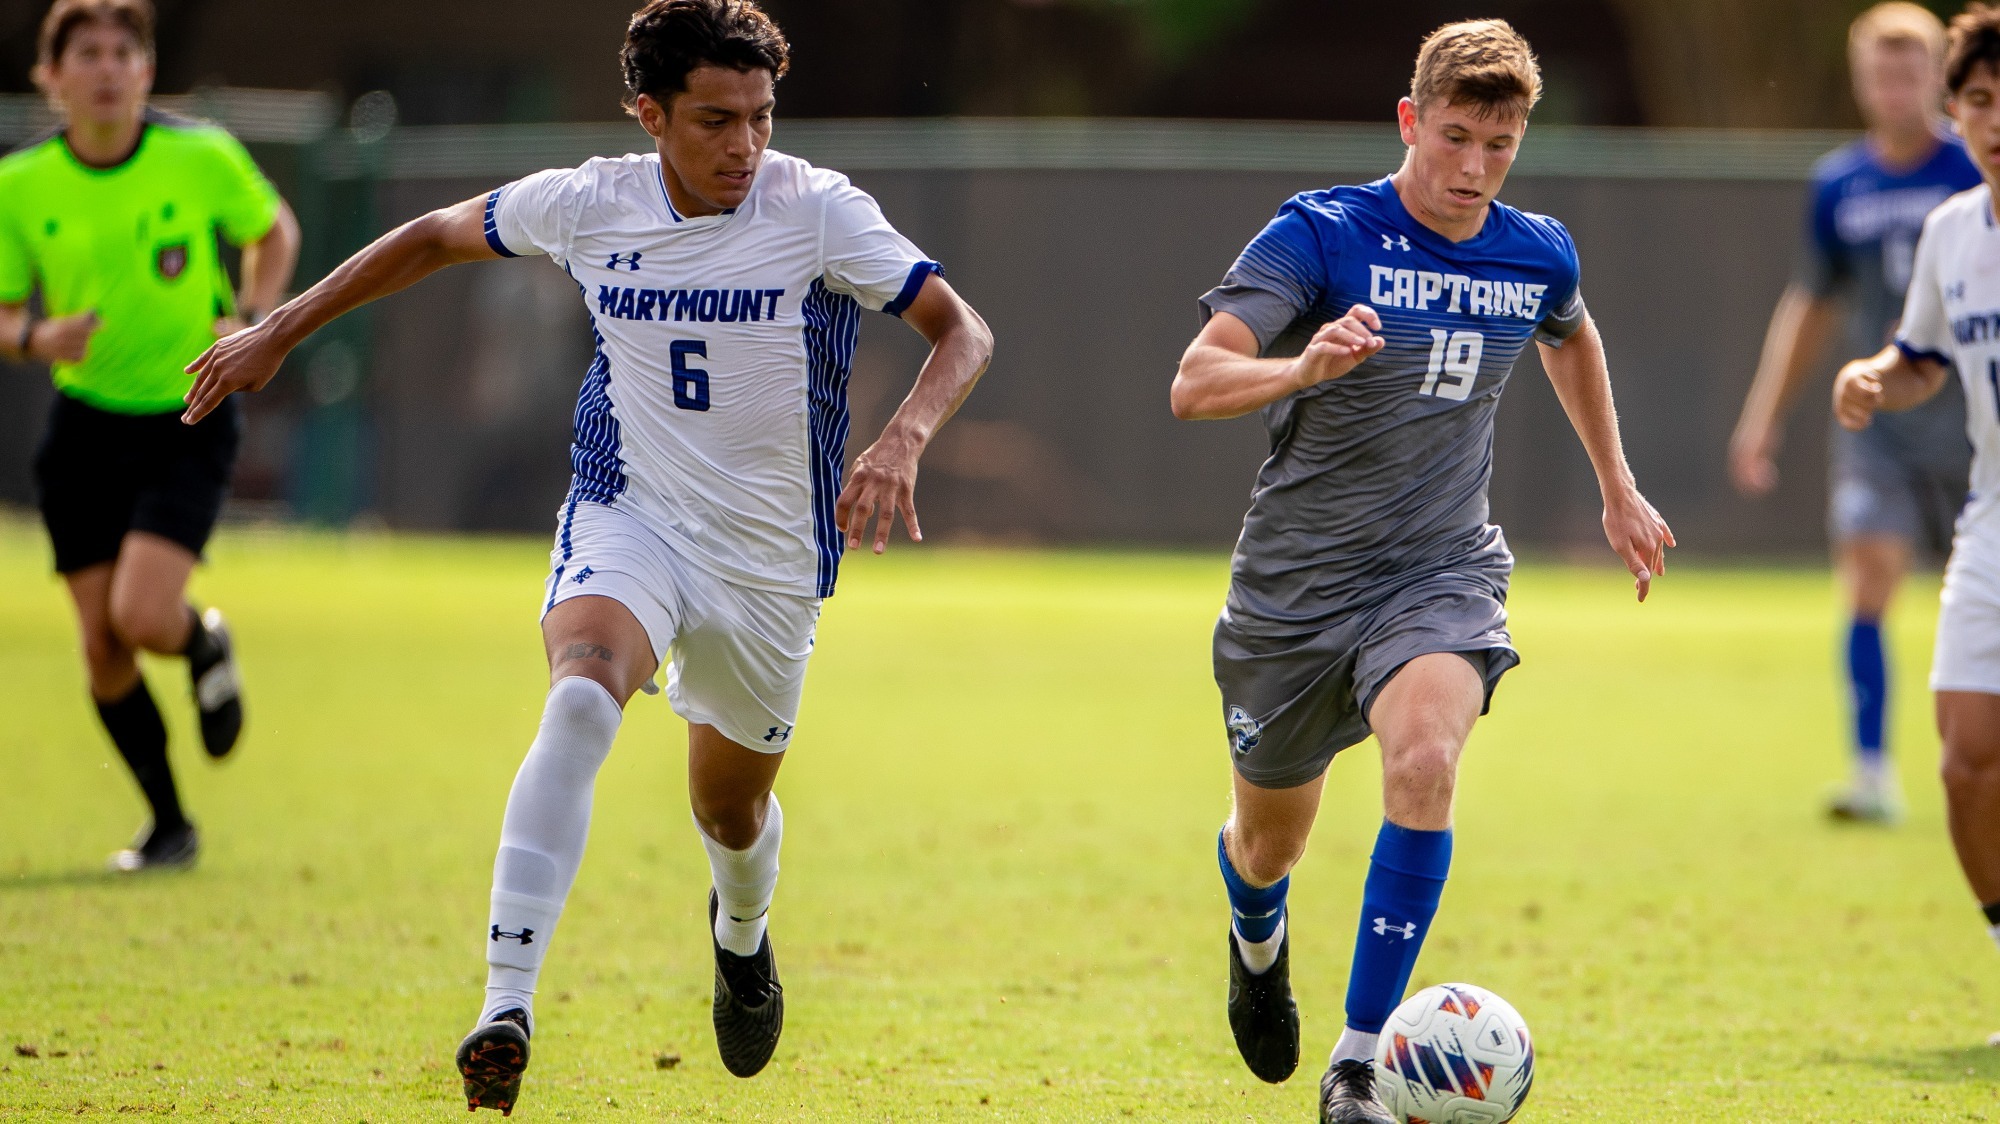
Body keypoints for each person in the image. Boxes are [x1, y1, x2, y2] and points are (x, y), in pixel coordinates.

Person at [177, 0, 992, 1112]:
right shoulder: (589, 200)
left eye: (758, 117)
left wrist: (901, 437)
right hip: (630, 515)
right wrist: (279, 329)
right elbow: (429, 237)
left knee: (730, 812)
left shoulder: (818, 212)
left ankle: (741, 932)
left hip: (766, 562)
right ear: (648, 114)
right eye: (713, 119)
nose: (742, 145)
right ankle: (504, 1001)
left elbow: (962, 329)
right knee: (580, 701)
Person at [1170, 20, 1673, 1123]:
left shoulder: (1535, 249)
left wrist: (1616, 486)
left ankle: (1356, 1063)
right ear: (1408, 121)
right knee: (1266, 843)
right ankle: (1256, 935)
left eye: (1498, 146)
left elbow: (1568, 334)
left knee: (1426, 761)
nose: (1472, 169)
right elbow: (1194, 382)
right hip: (1293, 593)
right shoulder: (1322, 234)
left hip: (1437, 569)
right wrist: (1301, 362)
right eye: (1453, 138)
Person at [0, 0, 299, 872]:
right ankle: (169, 824)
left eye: (122, 52)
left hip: (188, 414)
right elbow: (7, 310)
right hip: (83, 427)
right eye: (84, 53)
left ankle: (203, 640)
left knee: (139, 613)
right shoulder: (21, 184)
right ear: (49, 77)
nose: (104, 68)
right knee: (101, 647)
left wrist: (249, 319)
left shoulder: (199, 154)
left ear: (146, 68)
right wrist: (33, 338)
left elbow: (273, 230)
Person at [1729, 3, 1980, 823]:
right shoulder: (1840, 182)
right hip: (1885, 419)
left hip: (1979, 428)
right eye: (1880, 70)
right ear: (1861, 78)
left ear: (1940, 79)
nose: (1894, 86)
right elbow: (1813, 302)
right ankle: (1872, 771)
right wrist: (1764, 413)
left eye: (1911, 71)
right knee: (1869, 573)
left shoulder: (1976, 169)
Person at [1835, 0, 2000, 1020]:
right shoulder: (1949, 230)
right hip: (1991, 520)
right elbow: (1921, 361)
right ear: (1953, 111)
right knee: (1962, 761)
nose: (1993, 118)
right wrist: (1872, 376)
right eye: (1977, 99)